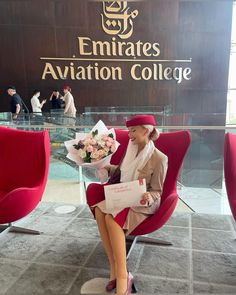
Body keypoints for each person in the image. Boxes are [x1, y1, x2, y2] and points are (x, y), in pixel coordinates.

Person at [86, 115, 168, 294]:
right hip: (124, 196)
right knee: (100, 211)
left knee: (111, 219)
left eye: (133, 130)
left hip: (142, 202)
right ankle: (114, 267)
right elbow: (122, 172)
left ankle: (123, 276)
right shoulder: (130, 150)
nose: (129, 134)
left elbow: (158, 191)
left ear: (146, 131)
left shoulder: (159, 158)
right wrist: (107, 168)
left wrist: (149, 196)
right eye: (129, 130)